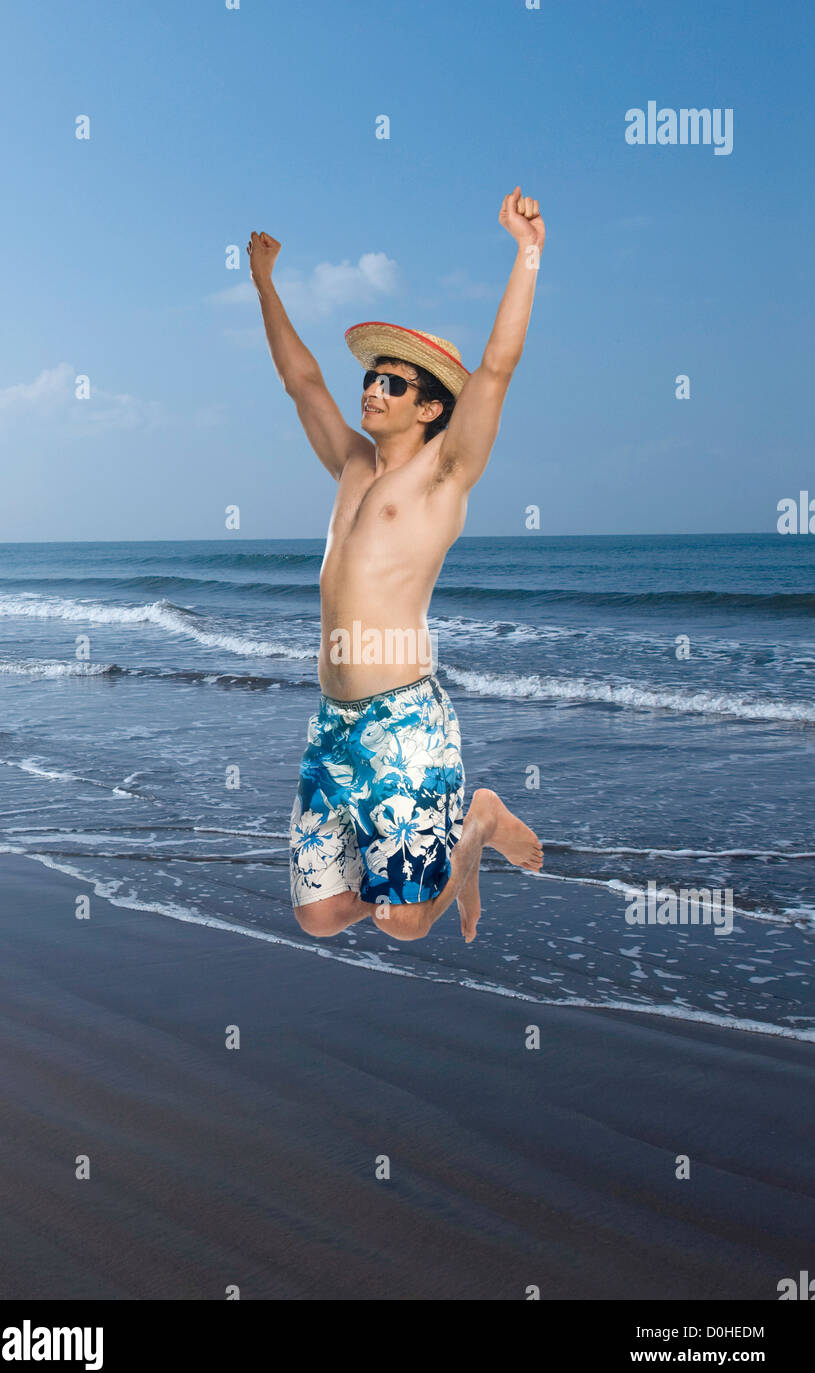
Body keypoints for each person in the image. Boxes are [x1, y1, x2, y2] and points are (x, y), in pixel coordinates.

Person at [247, 187, 544, 945]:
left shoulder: (444, 476)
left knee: (405, 924)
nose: (372, 390)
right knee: (318, 918)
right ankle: (449, 853)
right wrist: (265, 286)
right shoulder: (350, 463)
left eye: (393, 383)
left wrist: (526, 251)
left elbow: (498, 369)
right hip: (333, 724)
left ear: (432, 409)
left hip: (404, 721)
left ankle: (475, 821)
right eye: (371, 379)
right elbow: (301, 382)